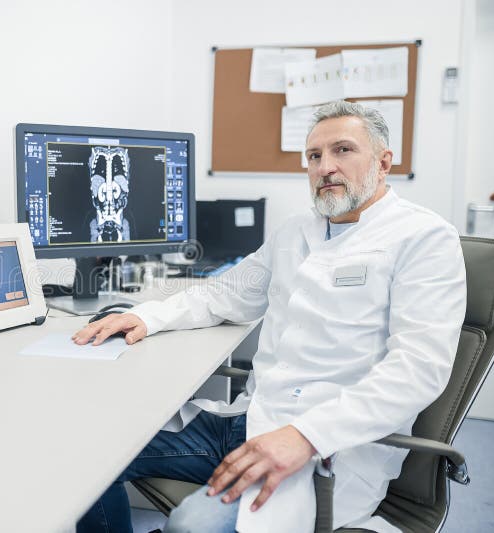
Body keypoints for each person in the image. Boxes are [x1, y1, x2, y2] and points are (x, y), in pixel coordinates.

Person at [73, 100, 467, 533]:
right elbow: (226, 294)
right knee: (86, 454)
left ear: (384, 161)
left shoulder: (425, 238)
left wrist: (307, 436)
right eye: (314, 156)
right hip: (249, 421)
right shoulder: (297, 230)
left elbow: (419, 370)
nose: (325, 167)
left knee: (193, 525)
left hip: (327, 449)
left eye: (343, 151)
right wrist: (148, 317)